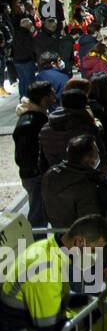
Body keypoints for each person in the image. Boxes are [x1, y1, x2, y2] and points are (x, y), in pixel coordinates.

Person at [41, 133, 107, 228]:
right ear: (88, 158)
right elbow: (90, 221)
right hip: (84, 237)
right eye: (96, 152)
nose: (97, 155)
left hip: (59, 232)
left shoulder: (50, 175)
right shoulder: (88, 184)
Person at [14, 80, 55, 226]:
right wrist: (38, 171)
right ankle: (36, 246)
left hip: (37, 174)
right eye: (51, 92)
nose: (54, 94)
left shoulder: (39, 116)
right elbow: (23, 155)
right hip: (34, 176)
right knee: (38, 216)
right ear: (44, 98)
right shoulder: (29, 123)